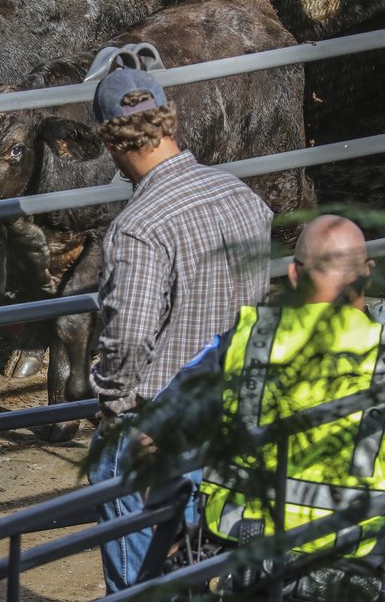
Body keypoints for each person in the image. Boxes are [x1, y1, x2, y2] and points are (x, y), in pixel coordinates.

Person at [135, 215, 385, 589]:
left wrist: (173, 530)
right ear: (367, 274)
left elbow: (148, 438)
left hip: (242, 565)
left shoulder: (240, 346)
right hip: (353, 575)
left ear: (293, 273)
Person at [84, 67, 273, 592]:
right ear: (170, 119)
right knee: (217, 553)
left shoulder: (140, 226)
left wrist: (115, 407)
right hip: (235, 408)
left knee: (140, 561)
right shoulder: (242, 196)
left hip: (161, 424)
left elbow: (129, 338)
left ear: (109, 139)